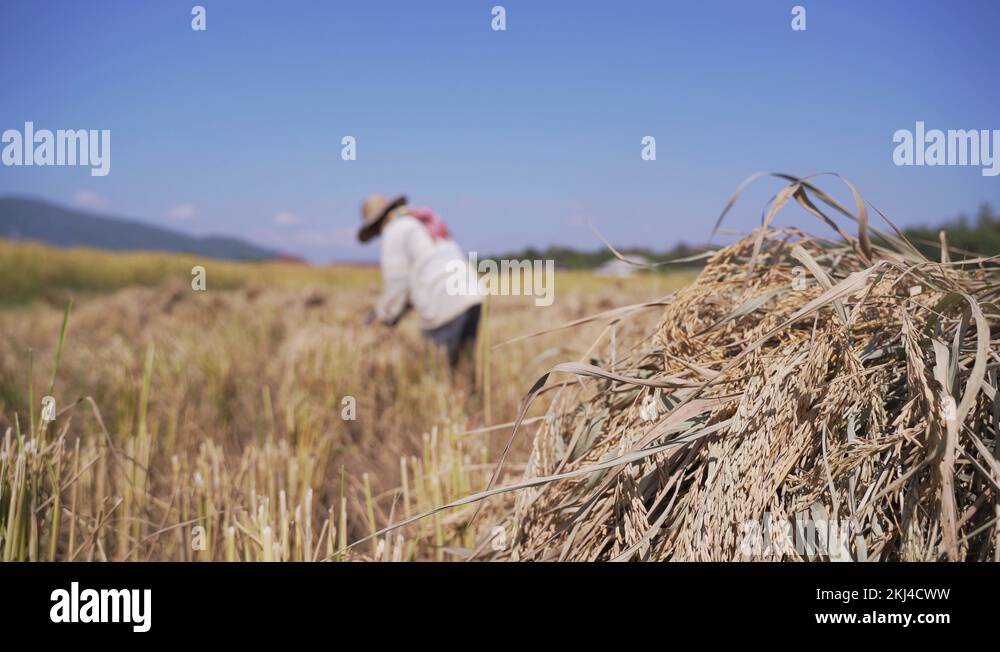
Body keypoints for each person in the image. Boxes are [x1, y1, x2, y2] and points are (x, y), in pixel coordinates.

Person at [358, 193, 482, 368]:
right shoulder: (419, 221)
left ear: (377, 223)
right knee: (464, 365)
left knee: (440, 369)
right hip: (472, 294)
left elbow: (397, 284)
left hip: (444, 301)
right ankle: (471, 393)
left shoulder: (394, 230)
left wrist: (382, 317)